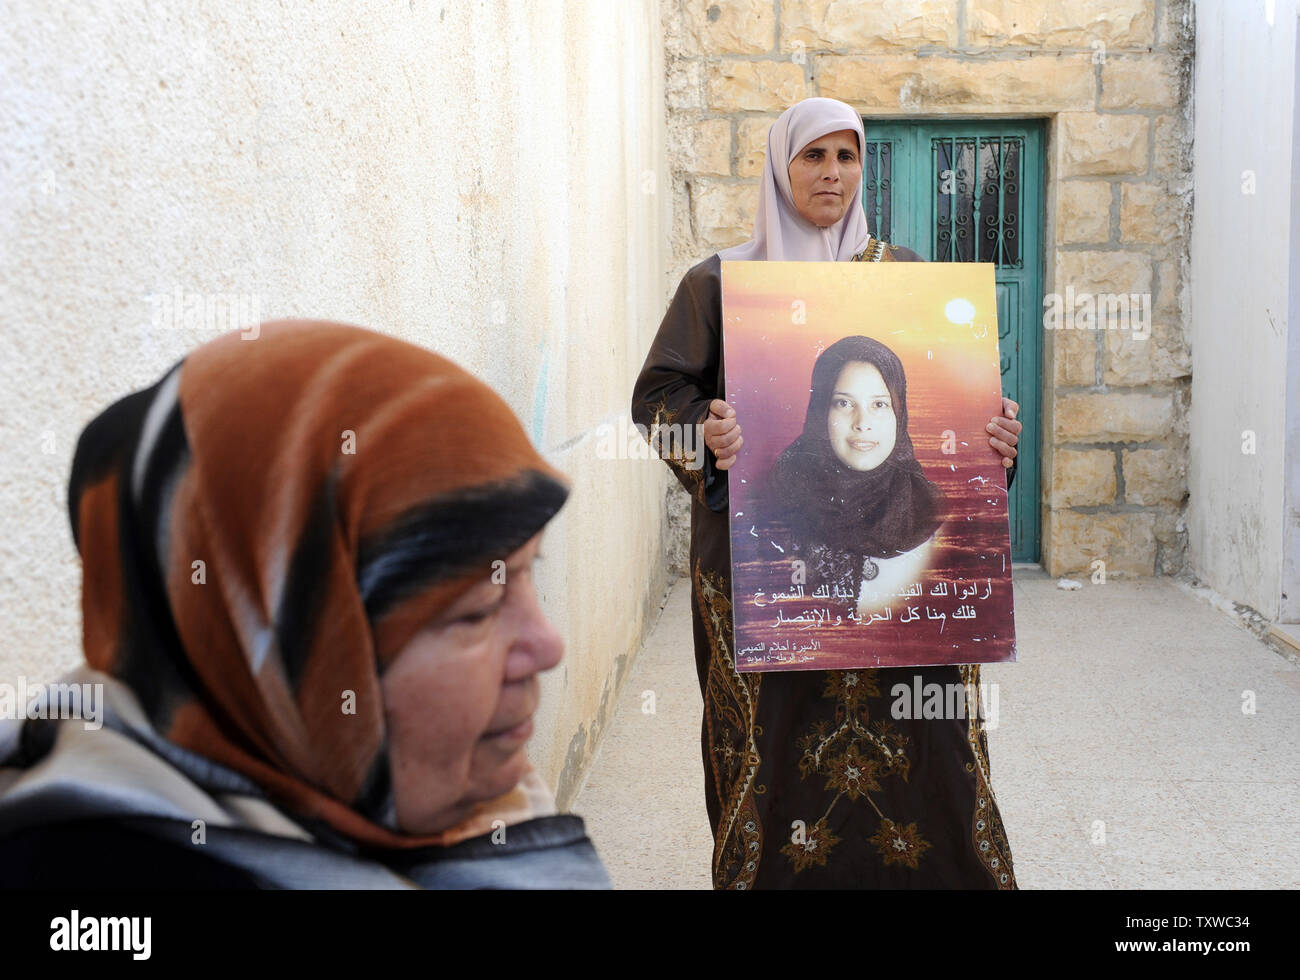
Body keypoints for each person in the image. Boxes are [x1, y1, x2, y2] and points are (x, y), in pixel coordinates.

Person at [0, 320, 610, 889]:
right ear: (278, 641)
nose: (547, 646)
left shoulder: (451, 807)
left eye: (532, 572)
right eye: (478, 609)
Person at [631, 97, 1022, 888]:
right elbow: (656, 398)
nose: (832, 174)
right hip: (769, 583)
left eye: (847, 157)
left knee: (929, 745)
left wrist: (995, 447)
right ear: (782, 165)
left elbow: (953, 434)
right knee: (773, 749)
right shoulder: (719, 284)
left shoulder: (905, 280)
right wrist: (702, 433)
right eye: (813, 156)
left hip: (904, 590)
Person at [762, 335, 947, 615]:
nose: (862, 424)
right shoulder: (780, 498)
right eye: (844, 404)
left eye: (880, 405)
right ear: (821, 410)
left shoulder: (930, 509)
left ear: (900, 413)